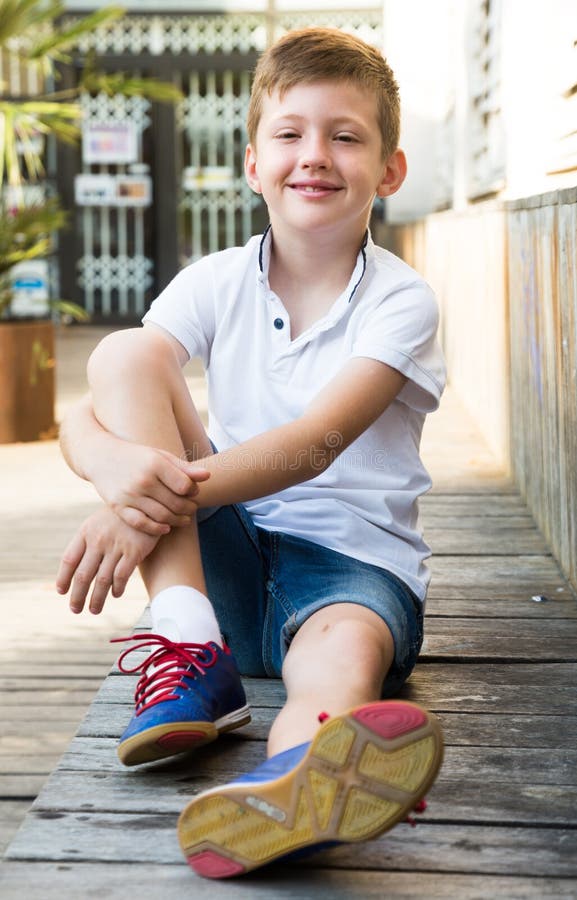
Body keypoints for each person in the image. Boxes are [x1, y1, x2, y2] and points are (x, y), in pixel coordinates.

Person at [56, 27, 446, 879]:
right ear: (251, 162)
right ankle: (191, 645)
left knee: (336, 661)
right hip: (221, 563)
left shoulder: (400, 301)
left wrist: (153, 502)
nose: (315, 155)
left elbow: (315, 444)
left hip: (350, 569)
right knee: (126, 352)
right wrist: (124, 486)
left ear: (388, 171)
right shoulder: (215, 279)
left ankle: (292, 783)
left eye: (345, 136)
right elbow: (86, 417)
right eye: (290, 134)